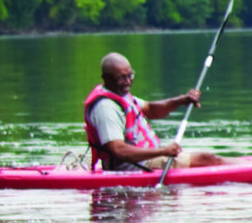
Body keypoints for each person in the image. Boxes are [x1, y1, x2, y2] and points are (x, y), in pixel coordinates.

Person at [84, 52, 226, 171]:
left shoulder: (120, 95)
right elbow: (119, 150)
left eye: (130, 75)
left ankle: (245, 165)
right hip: (135, 166)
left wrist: (182, 100)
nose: (128, 81)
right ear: (106, 78)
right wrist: (163, 151)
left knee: (208, 159)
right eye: (122, 78)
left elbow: (151, 110)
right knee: (207, 159)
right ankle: (248, 171)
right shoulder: (106, 108)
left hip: (146, 159)